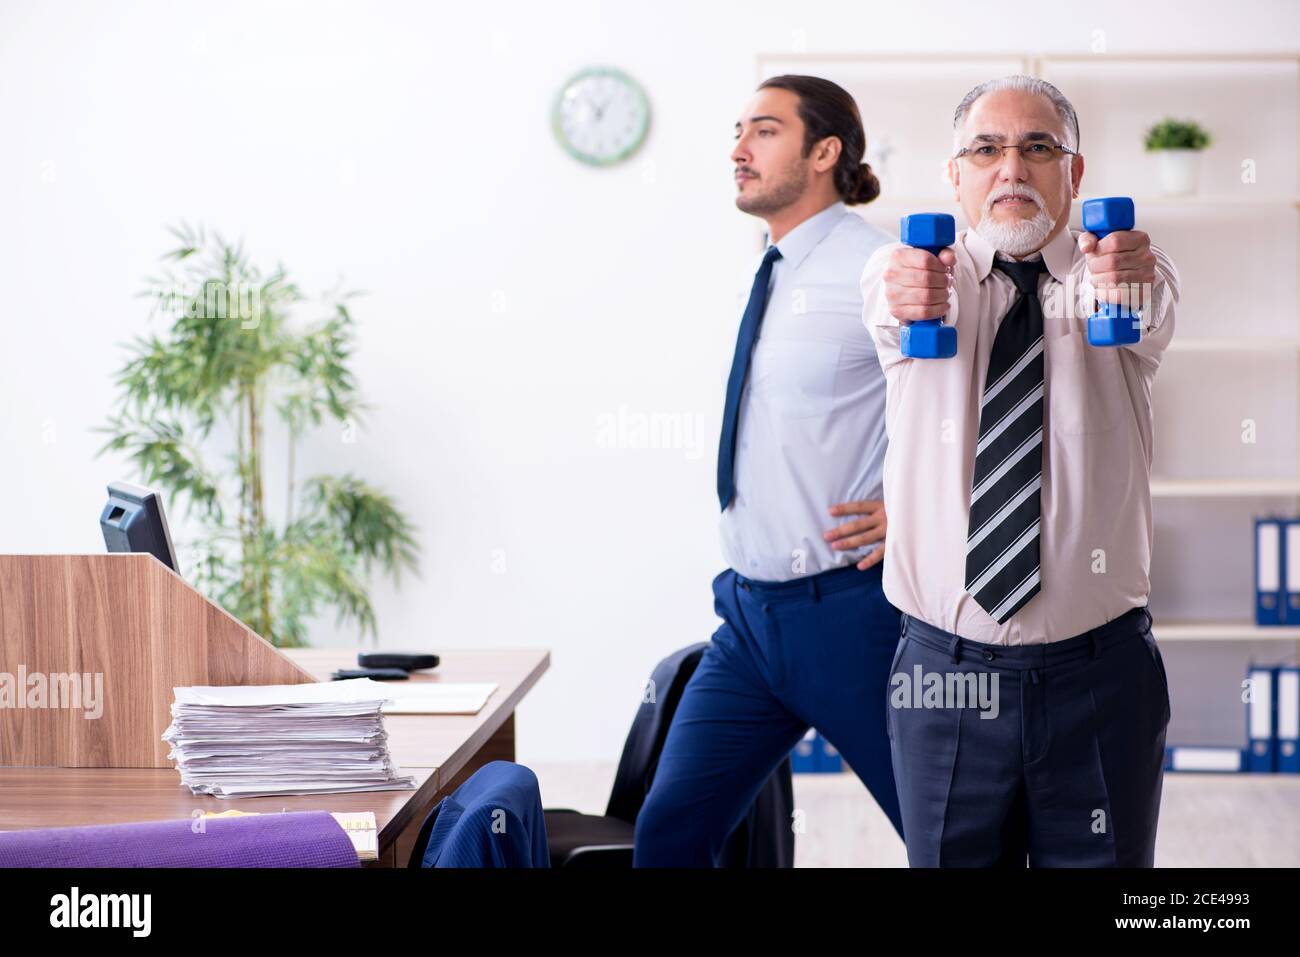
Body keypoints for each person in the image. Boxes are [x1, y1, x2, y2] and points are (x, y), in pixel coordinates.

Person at [860, 75, 1179, 867]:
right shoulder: (918, 280)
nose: (1012, 169)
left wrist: (1131, 278)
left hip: (1100, 679)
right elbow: (887, 298)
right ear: (955, 174)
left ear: (1074, 174)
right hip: (945, 679)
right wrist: (902, 289)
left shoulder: (1116, 277)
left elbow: (1154, 303)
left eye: (1038, 148)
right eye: (986, 149)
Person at [632, 75, 904, 867]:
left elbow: (980, 406)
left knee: (949, 838)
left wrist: (921, 508)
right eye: (738, 131)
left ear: (825, 152)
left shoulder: (881, 266)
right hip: (750, 619)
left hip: (853, 617)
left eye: (764, 131)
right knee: (670, 832)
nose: (738, 150)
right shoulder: (774, 267)